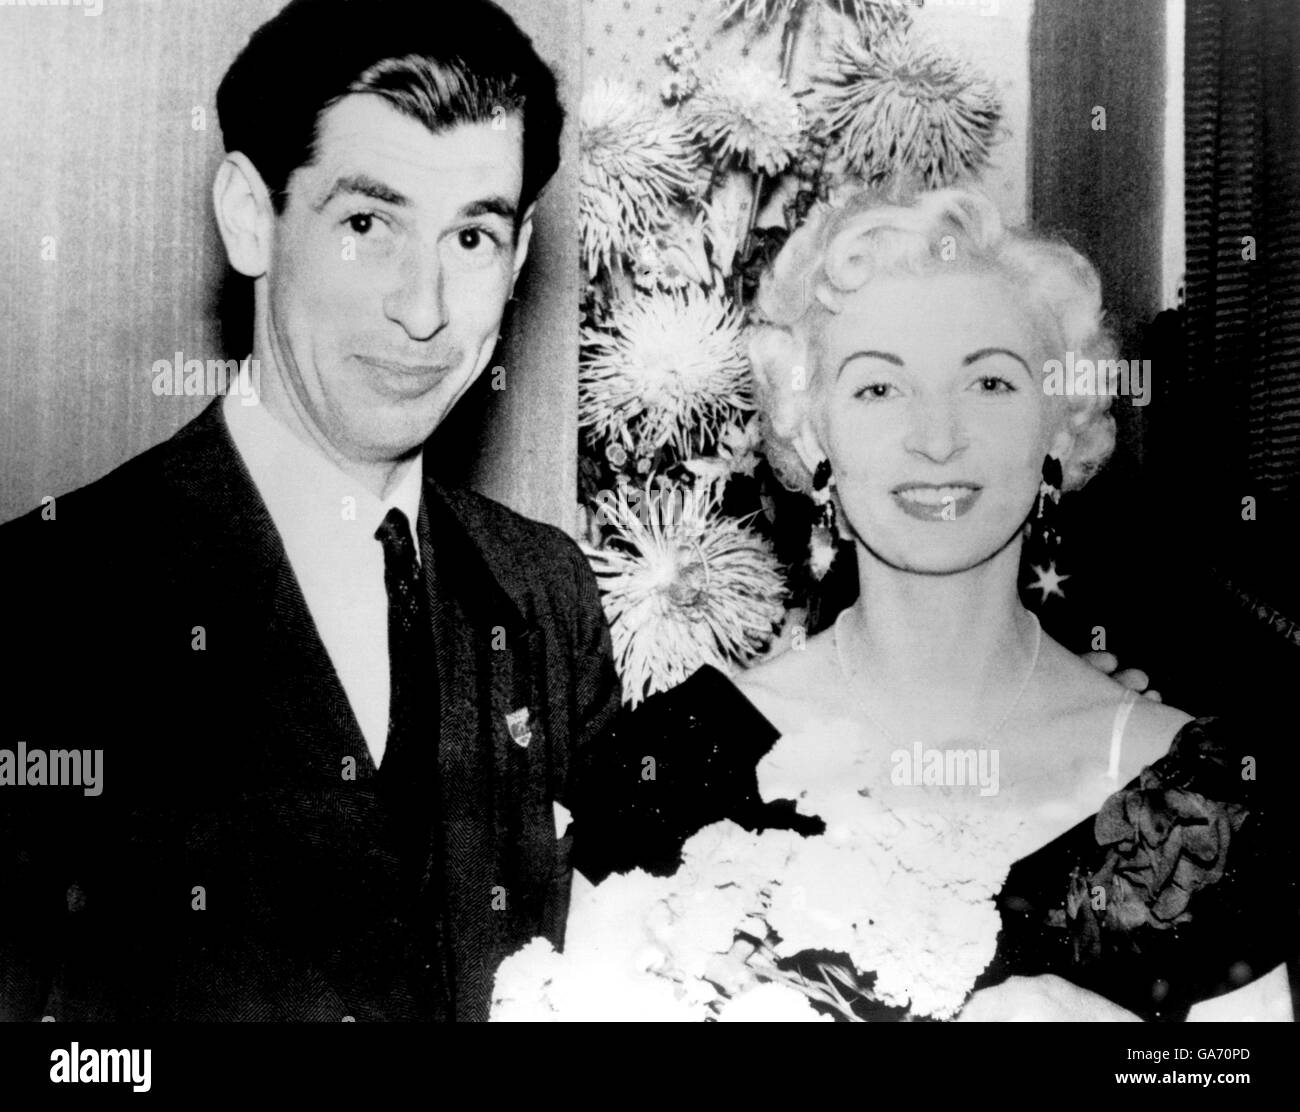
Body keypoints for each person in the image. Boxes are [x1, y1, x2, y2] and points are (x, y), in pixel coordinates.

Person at [0, 0, 619, 1022]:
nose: (423, 307)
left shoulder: (544, 594)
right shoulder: (42, 607)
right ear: (251, 216)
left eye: (472, 234)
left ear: (518, 259)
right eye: (367, 224)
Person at [569, 189, 1296, 1021]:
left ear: (1061, 424)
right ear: (811, 432)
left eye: (990, 381)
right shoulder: (669, 765)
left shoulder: (1193, 807)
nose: (938, 438)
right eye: (880, 388)